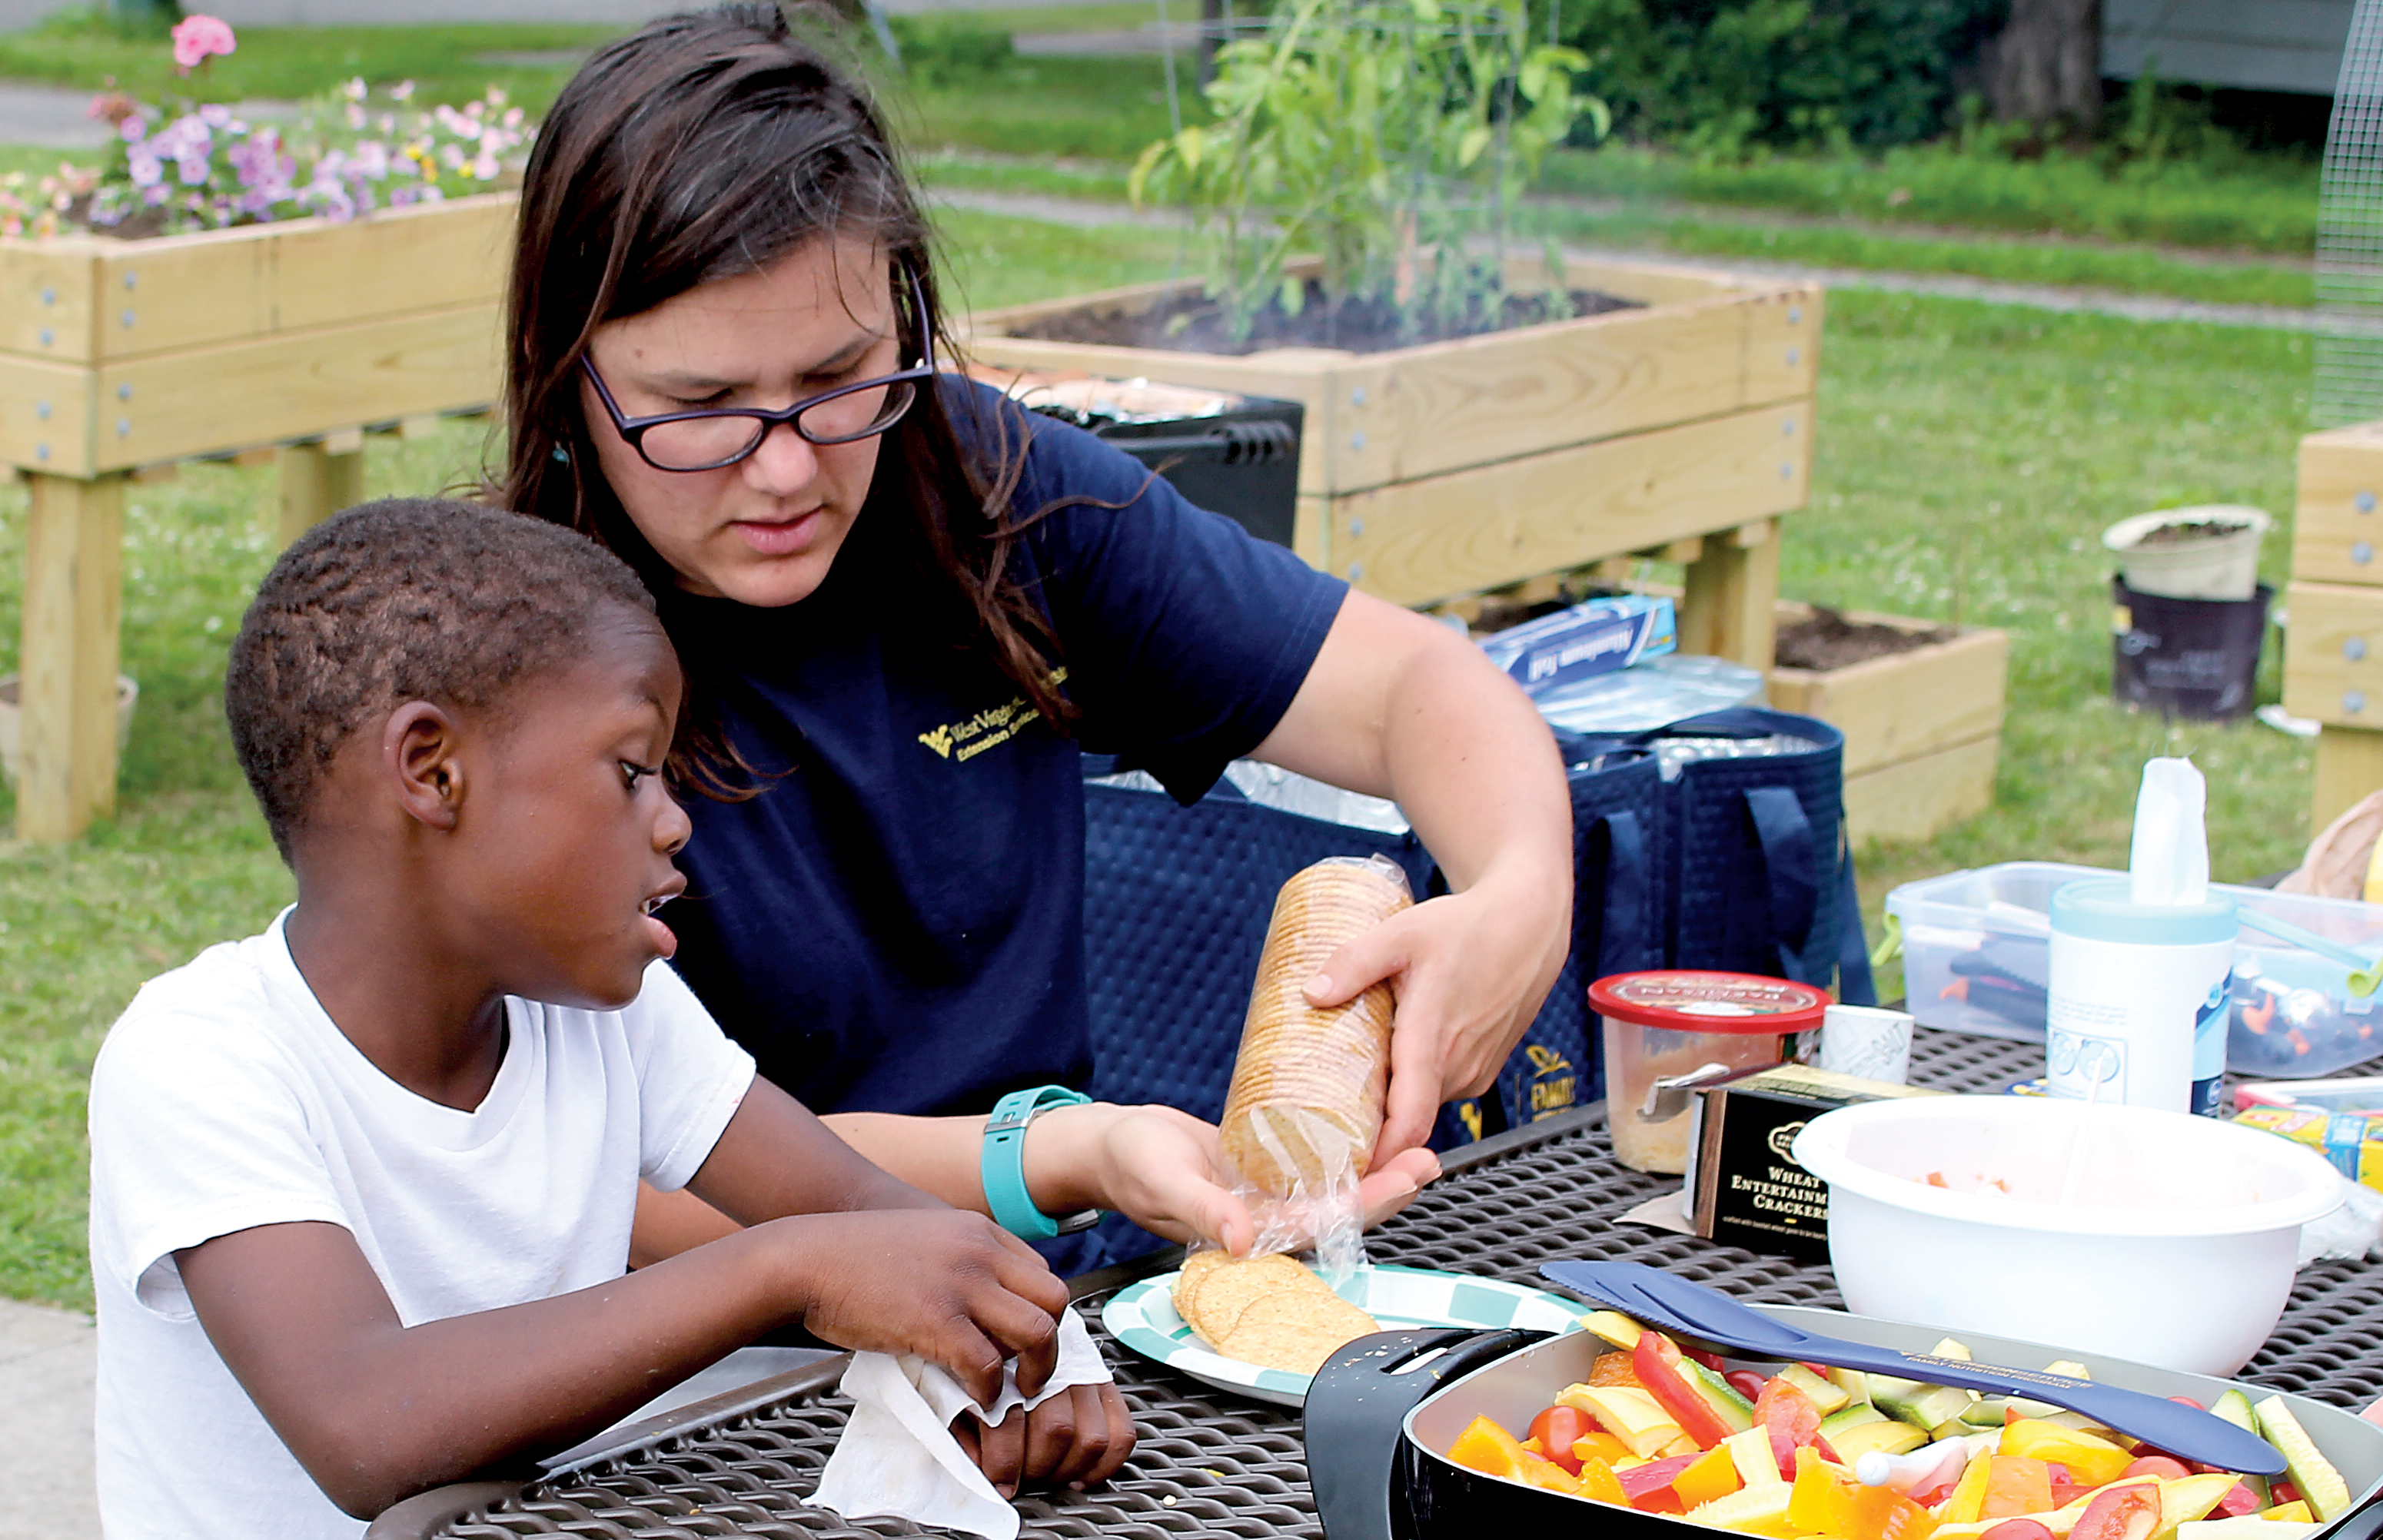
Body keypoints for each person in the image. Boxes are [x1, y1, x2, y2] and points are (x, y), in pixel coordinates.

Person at [497, 4, 1575, 1271]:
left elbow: (1414, 688)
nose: (787, 468)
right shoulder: (504, 664)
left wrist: (1520, 897)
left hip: (1031, 1324)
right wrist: (1050, 1158)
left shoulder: (991, 491)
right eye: (703, 407)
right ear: (562, 366)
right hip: (705, 1385)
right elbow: (596, 1196)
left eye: (842, 378)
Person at [90, 500, 1397, 1540]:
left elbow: (872, 1220)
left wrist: (1024, 1366)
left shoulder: (608, 1019)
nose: (674, 822)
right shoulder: (206, 1057)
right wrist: (784, 1269)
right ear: (434, 770)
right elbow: (365, 1429)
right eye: (630, 771)